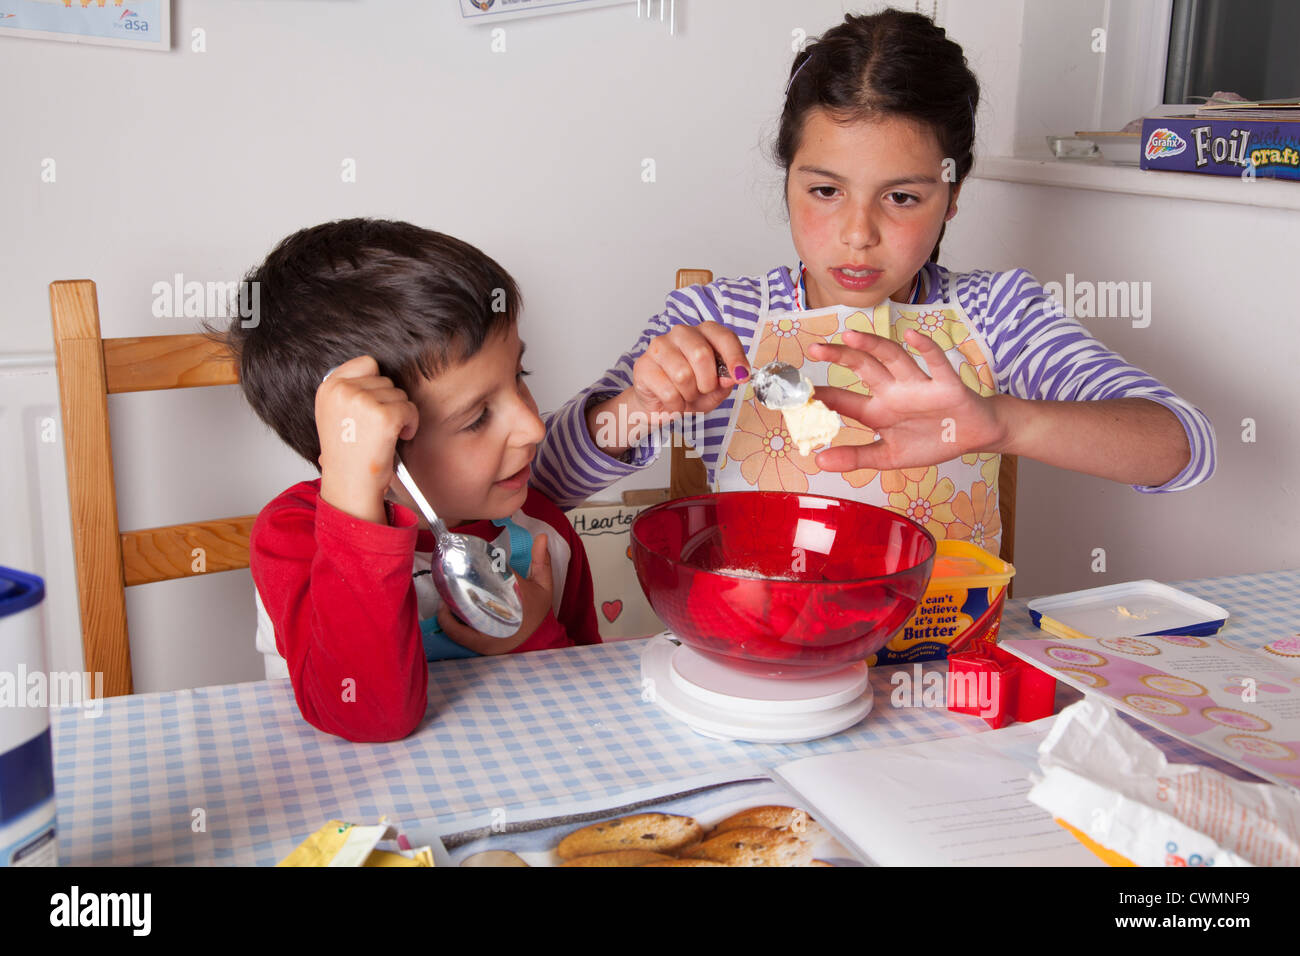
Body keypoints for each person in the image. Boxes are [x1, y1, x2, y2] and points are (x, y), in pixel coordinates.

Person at [532, 9, 1214, 555]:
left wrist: (1001, 421)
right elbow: (544, 484)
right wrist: (639, 408)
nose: (858, 233)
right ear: (788, 177)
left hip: (940, 660)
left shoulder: (997, 314)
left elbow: (1180, 447)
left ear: (952, 195)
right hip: (762, 652)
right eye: (826, 190)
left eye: (903, 198)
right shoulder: (718, 316)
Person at [226, 219, 601, 743]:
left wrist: (536, 635)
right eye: (475, 418)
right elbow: (368, 717)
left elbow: (600, 710)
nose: (534, 426)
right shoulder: (294, 538)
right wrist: (356, 500)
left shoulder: (542, 531)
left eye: (521, 377)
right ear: (374, 447)